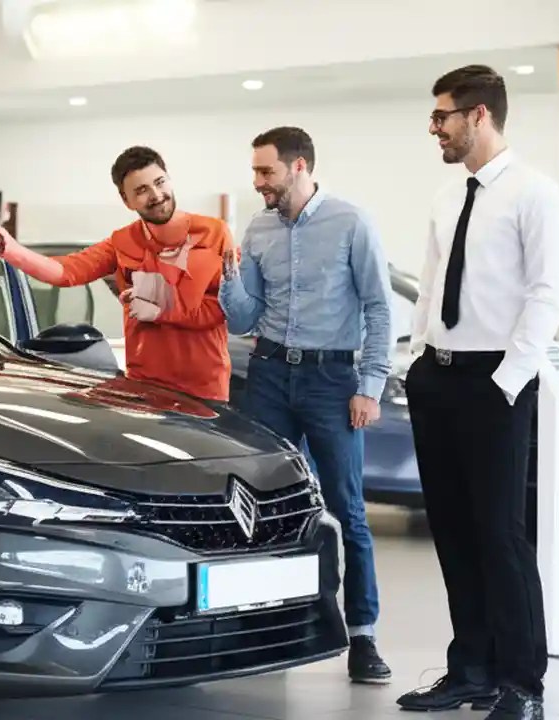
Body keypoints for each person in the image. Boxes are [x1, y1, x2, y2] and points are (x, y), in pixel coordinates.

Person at [396, 64, 559, 720]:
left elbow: (547, 295)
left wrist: (507, 378)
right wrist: (418, 361)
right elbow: (433, 284)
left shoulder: (535, 194)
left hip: (495, 380)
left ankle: (523, 685)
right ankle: (470, 670)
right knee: (453, 532)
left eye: (442, 116)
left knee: (500, 536)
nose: (434, 127)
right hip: (438, 379)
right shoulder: (448, 197)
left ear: (479, 116)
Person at [219, 126, 393, 684]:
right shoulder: (259, 226)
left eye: (265, 171)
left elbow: (379, 308)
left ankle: (362, 637)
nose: (257, 182)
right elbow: (244, 318)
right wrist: (227, 277)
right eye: (254, 172)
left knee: (347, 510)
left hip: (331, 380)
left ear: (298, 167)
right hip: (268, 375)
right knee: (265, 508)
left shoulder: (351, 222)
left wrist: (369, 385)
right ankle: (271, 628)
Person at [0, 145, 235, 401]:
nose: (157, 195)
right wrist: (11, 250)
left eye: (160, 182)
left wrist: (163, 311)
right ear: (126, 201)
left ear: (169, 179)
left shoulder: (215, 233)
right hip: (145, 387)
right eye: (141, 191)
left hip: (206, 387)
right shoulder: (122, 242)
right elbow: (66, 271)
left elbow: (226, 308)